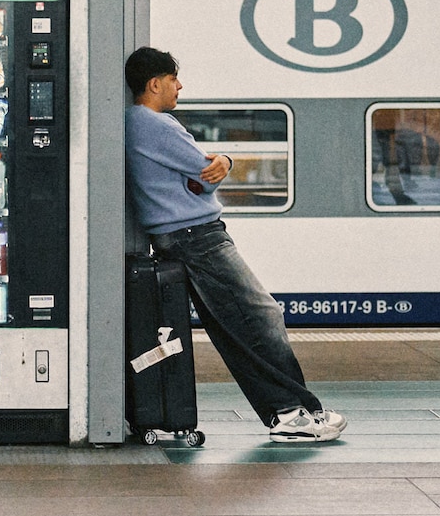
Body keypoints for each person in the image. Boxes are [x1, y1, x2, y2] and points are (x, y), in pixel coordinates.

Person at [125, 47, 344, 443]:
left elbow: (200, 171)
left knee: (236, 327)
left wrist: (217, 162)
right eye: (173, 79)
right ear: (154, 84)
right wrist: (224, 161)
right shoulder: (155, 123)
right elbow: (206, 173)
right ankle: (291, 415)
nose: (179, 86)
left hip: (182, 238)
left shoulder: (135, 123)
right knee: (261, 316)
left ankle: (295, 410)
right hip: (198, 237)